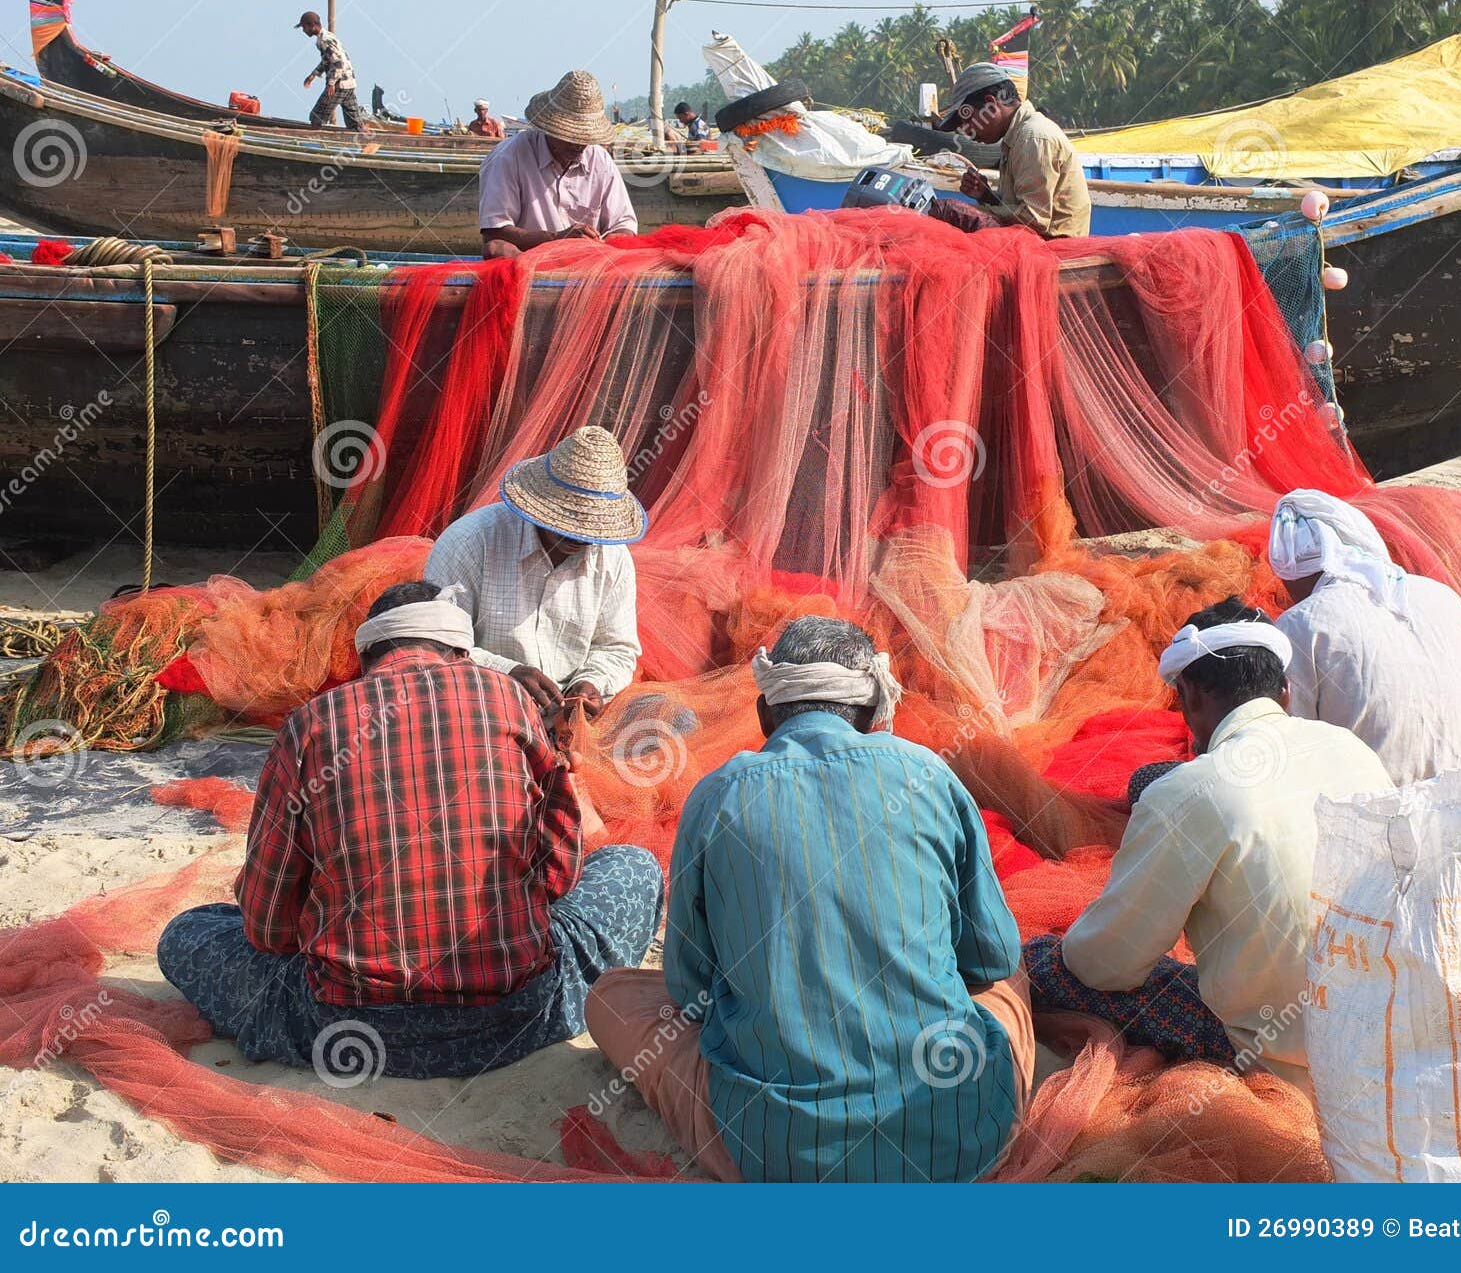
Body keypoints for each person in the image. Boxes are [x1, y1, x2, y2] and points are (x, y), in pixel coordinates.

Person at [585, 616, 1033, 1182]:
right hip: (964, 1134)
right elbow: (989, 957)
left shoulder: (715, 794)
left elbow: (690, 988)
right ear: (873, 712)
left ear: (764, 715)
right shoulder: (929, 773)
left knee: (611, 995)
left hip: (778, 1153)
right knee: (1009, 976)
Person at [156, 581, 663, 1079]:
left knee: (188, 933)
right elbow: (557, 880)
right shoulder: (513, 702)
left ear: (368, 656)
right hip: (518, 1017)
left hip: (345, 1029)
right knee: (633, 867)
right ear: (461, 651)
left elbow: (268, 929)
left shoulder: (311, 723)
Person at [1024, 597, 1393, 1093]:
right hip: (1383, 1032)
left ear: (1191, 694)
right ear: (1283, 691)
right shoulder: (1351, 748)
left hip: (1281, 1062)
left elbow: (1103, 965)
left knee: (1047, 965)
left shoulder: (1188, 793)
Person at [1269, 489, 1461, 785]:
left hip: (1371, 811)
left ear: (1292, 572)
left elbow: (1295, 741)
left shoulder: (1300, 625)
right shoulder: (1443, 596)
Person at [423, 426, 642, 720]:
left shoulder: (613, 558)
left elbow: (616, 648)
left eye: (590, 528)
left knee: (677, 720)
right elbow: (435, 645)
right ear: (541, 503)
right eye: (569, 520)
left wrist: (592, 682)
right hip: (482, 706)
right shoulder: (470, 541)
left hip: (572, 718)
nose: (580, 536)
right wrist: (506, 673)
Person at [478, 69, 638, 257]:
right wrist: (557, 239)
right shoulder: (509, 156)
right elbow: (494, 231)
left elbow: (623, 224)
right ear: (550, 128)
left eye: (584, 137)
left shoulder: (600, 160)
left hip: (590, 264)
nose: (579, 144)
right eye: (571, 136)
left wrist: (609, 241)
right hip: (528, 263)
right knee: (496, 249)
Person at [926, 62, 1089, 238]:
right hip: (1040, 243)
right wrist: (986, 196)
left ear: (990, 104)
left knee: (948, 210)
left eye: (966, 120)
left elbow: (1033, 220)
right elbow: (1021, 208)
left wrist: (976, 211)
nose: (966, 131)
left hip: (1055, 250)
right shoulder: (1017, 136)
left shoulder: (1032, 137)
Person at [295, 10, 360, 130]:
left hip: (339, 84)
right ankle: (364, 137)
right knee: (355, 124)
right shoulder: (325, 37)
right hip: (349, 82)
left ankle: (315, 141)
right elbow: (327, 60)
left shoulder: (325, 40)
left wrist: (331, 83)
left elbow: (338, 63)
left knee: (316, 117)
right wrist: (313, 75)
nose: (304, 31)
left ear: (313, 25)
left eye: (304, 27)